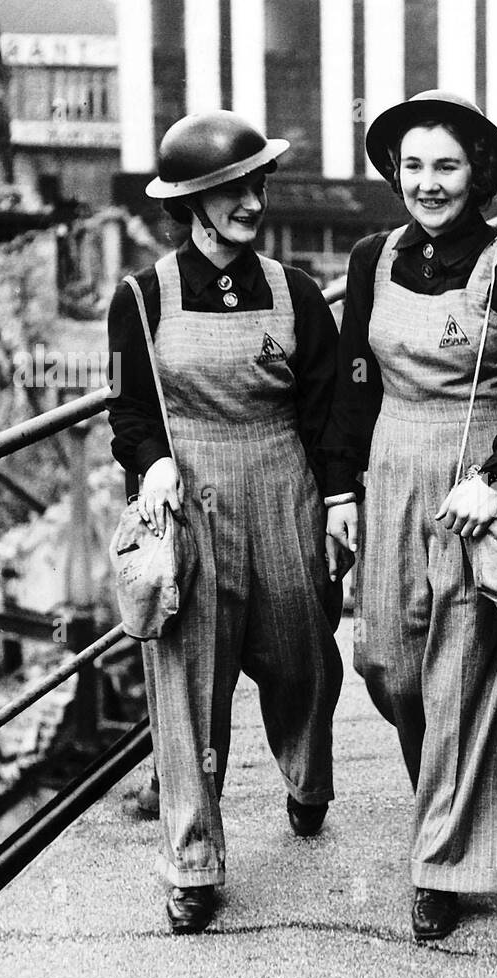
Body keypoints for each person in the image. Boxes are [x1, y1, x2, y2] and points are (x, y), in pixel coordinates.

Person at [321, 90, 497, 942]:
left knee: (462, 680)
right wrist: (340, 492)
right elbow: (354, 383)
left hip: (473, 497)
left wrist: (495, 475)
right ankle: (446, 798)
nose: (427, 184)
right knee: (388, 665)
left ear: (479, 175)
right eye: (414, 167)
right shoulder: (371, 258)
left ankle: (443, 867)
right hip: (390, 475)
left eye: (446, 167)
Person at [107, 110, 344, 934]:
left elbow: (327, 411)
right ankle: (193, 862)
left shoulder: (297, 293)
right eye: (229, 190)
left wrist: (336, 508)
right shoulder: (140, 298)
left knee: (303, 659)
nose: (250, 201)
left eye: (256, 184)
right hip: (187, 496)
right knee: (187, 687)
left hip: (282, 484)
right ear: (192, 205)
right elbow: (128, 410)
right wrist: (151, 461)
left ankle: (308, 777)